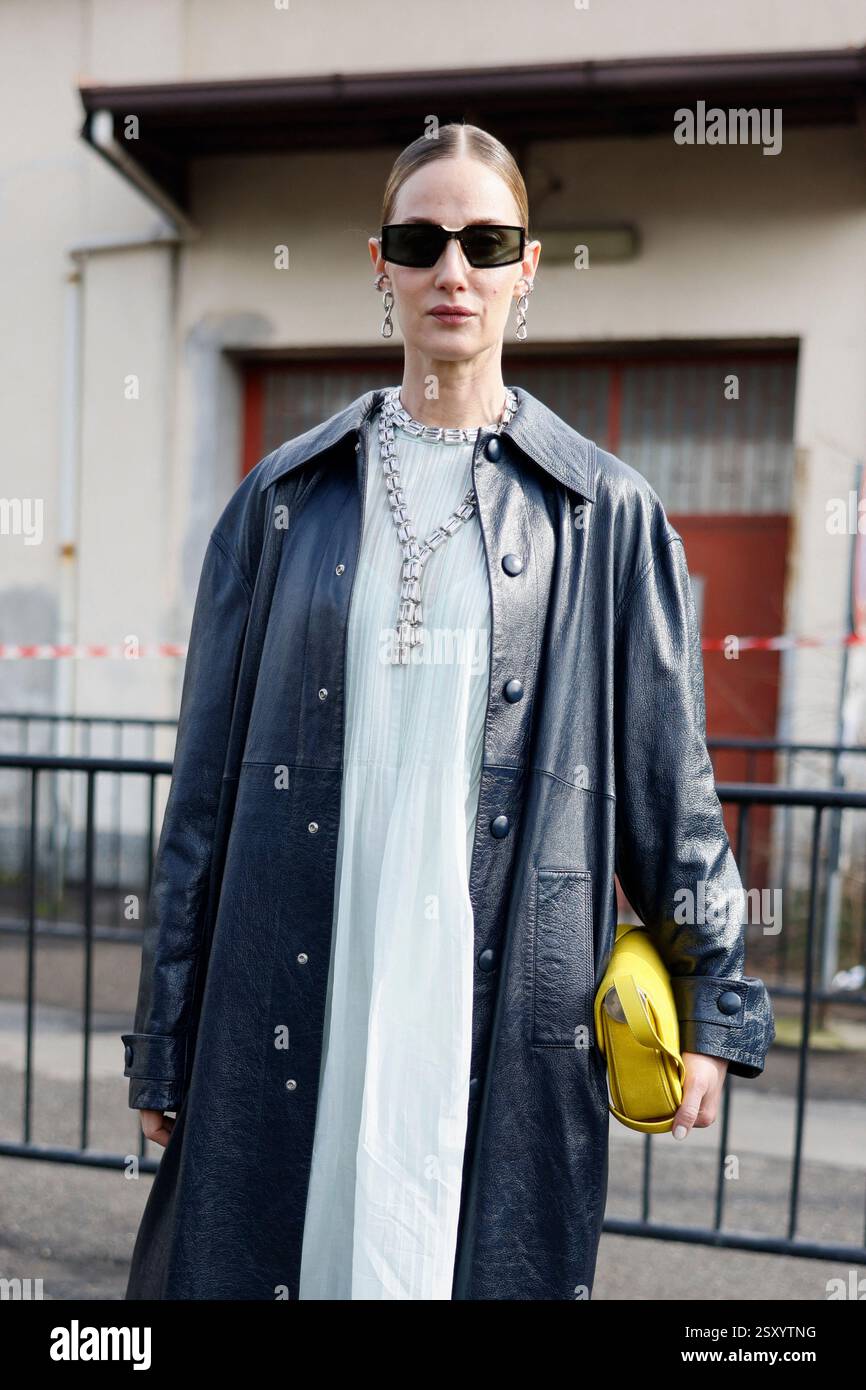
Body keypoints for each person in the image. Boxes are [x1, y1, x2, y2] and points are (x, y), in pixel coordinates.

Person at [123, 122, 775, 1301]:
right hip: (298, 984)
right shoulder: (282, 499)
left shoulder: (605, 515)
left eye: (486, 241)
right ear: (381, 264)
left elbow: (667, 785)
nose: (452, 270)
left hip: (496, 998)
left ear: (529, 266)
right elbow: (204, 799)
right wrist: (165, 1031)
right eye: (423, 242)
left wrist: (711, 991)